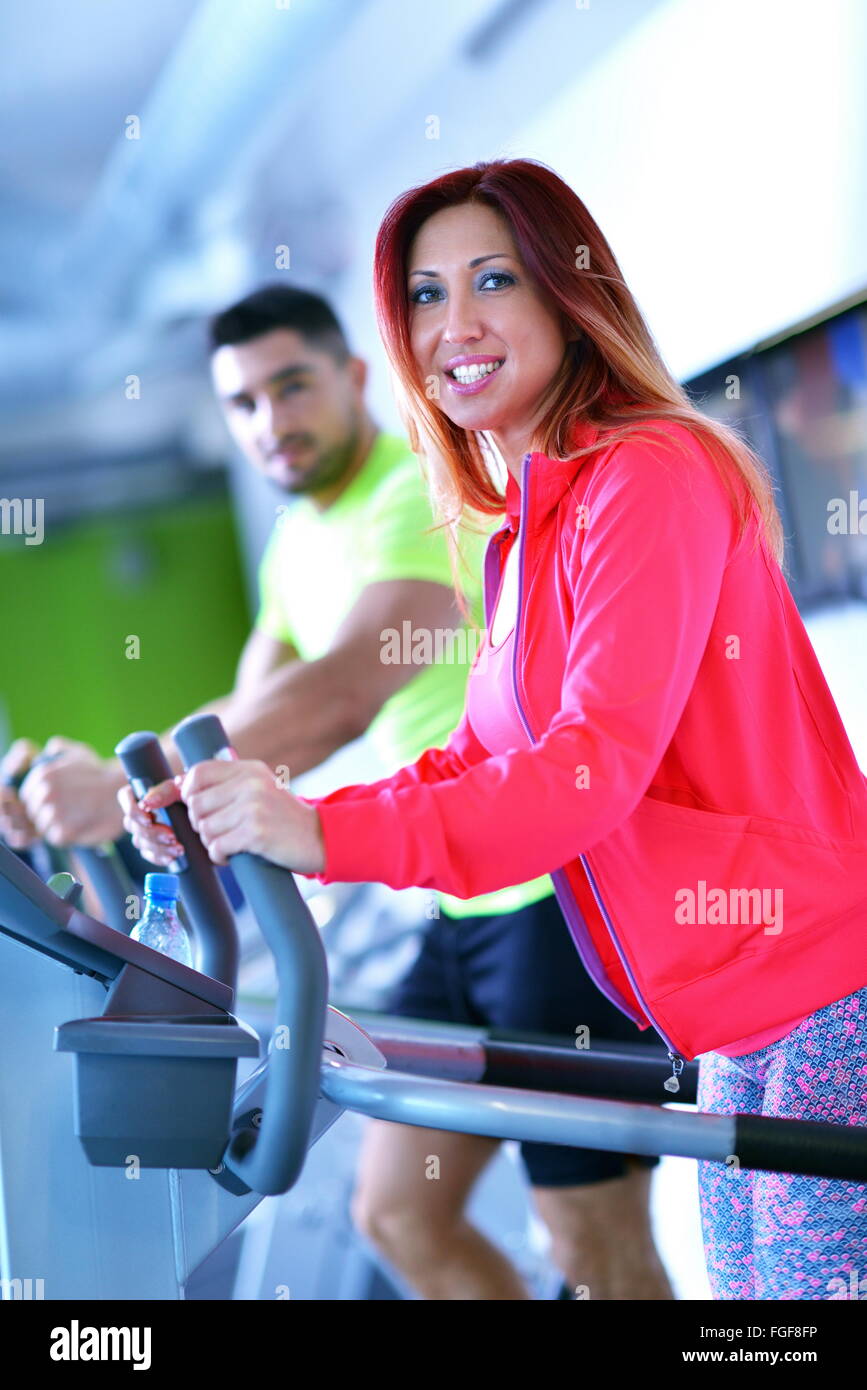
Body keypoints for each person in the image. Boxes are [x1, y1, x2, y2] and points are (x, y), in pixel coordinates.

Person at [122, 157, 867, 1303]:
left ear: (570, 297)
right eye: (424, 294)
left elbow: (586, 768)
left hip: (825, 989)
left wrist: (317, 832)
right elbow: (477, 761)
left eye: (491, 281)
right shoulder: (525, 531)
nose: (453, 325)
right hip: (733, 1012)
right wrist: (250, 811)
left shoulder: (650, 474)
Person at [1, 283, 671, 1301]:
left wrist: (138, 791)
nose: (273, 420)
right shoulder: (295, 542)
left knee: (592, 1240)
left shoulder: (413, 488)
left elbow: (348, 690)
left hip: (553, 905)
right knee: (397, 1212)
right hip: (454, 907)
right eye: (245, 404)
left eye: (293, 386)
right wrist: (101, 779)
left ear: (354, 378)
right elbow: (239, 717)